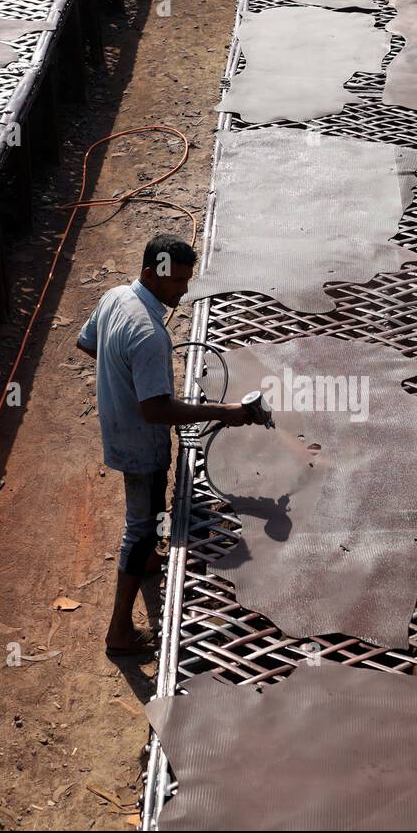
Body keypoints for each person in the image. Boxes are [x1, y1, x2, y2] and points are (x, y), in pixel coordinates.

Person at [77, 234, 258, 655]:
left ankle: (149, 564)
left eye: (186, 279)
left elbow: (86, 344)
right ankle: (118, 633)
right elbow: (157, 410)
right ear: (149, 274)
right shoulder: (149, 334)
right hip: (141, 444)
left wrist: (118, 384)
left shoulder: (115, 297)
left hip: (120, 428)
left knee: (150, 513)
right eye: (176, 281)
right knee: (140, 528)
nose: (184, 290)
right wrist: (222, 411)